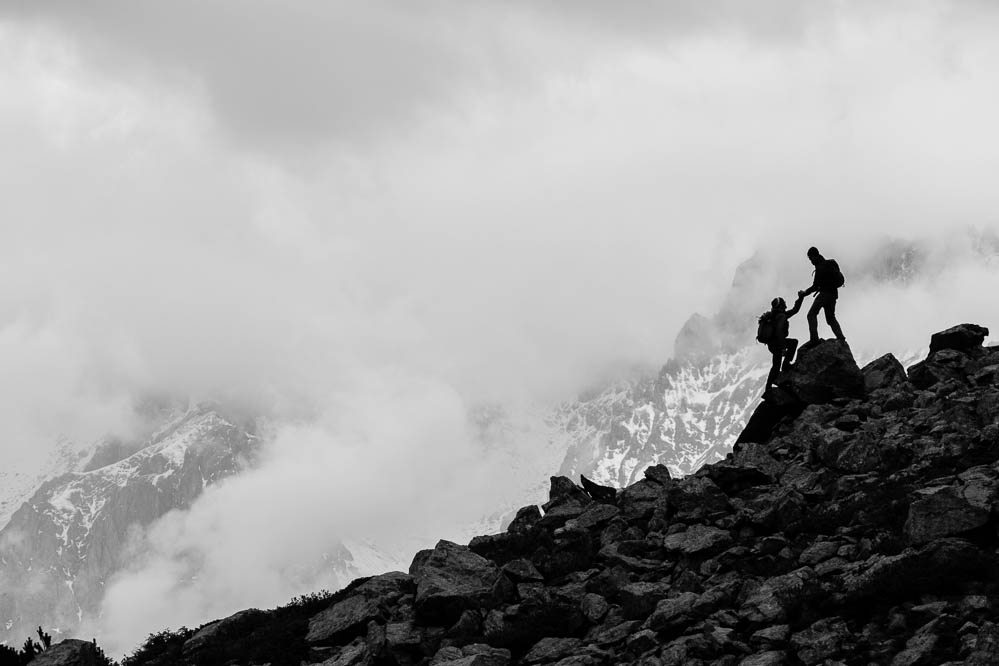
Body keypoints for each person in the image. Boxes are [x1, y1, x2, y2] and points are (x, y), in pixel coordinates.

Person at [798, 246, 846, 345]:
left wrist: (804, 293)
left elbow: (815, 286)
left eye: (811, 258)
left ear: (815, 255)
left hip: (824, 295)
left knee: (811, 314)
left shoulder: (820, 267)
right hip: (833, 295)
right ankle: (841, 338)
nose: (811, 261)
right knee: (831, 318)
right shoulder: (829, 264)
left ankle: (814, 339)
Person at [764, 294, 804, 391]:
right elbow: (779, 332)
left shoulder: (774, 316)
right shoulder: (782, 316)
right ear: (781, 306)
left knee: (775, 366)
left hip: (771, 344)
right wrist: (783, 348)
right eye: (784, 304)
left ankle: (768, 388)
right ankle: (786, 365)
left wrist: (800, 298)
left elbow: (795, 310)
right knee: (793, 343)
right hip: (777, 344)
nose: (785, 305)